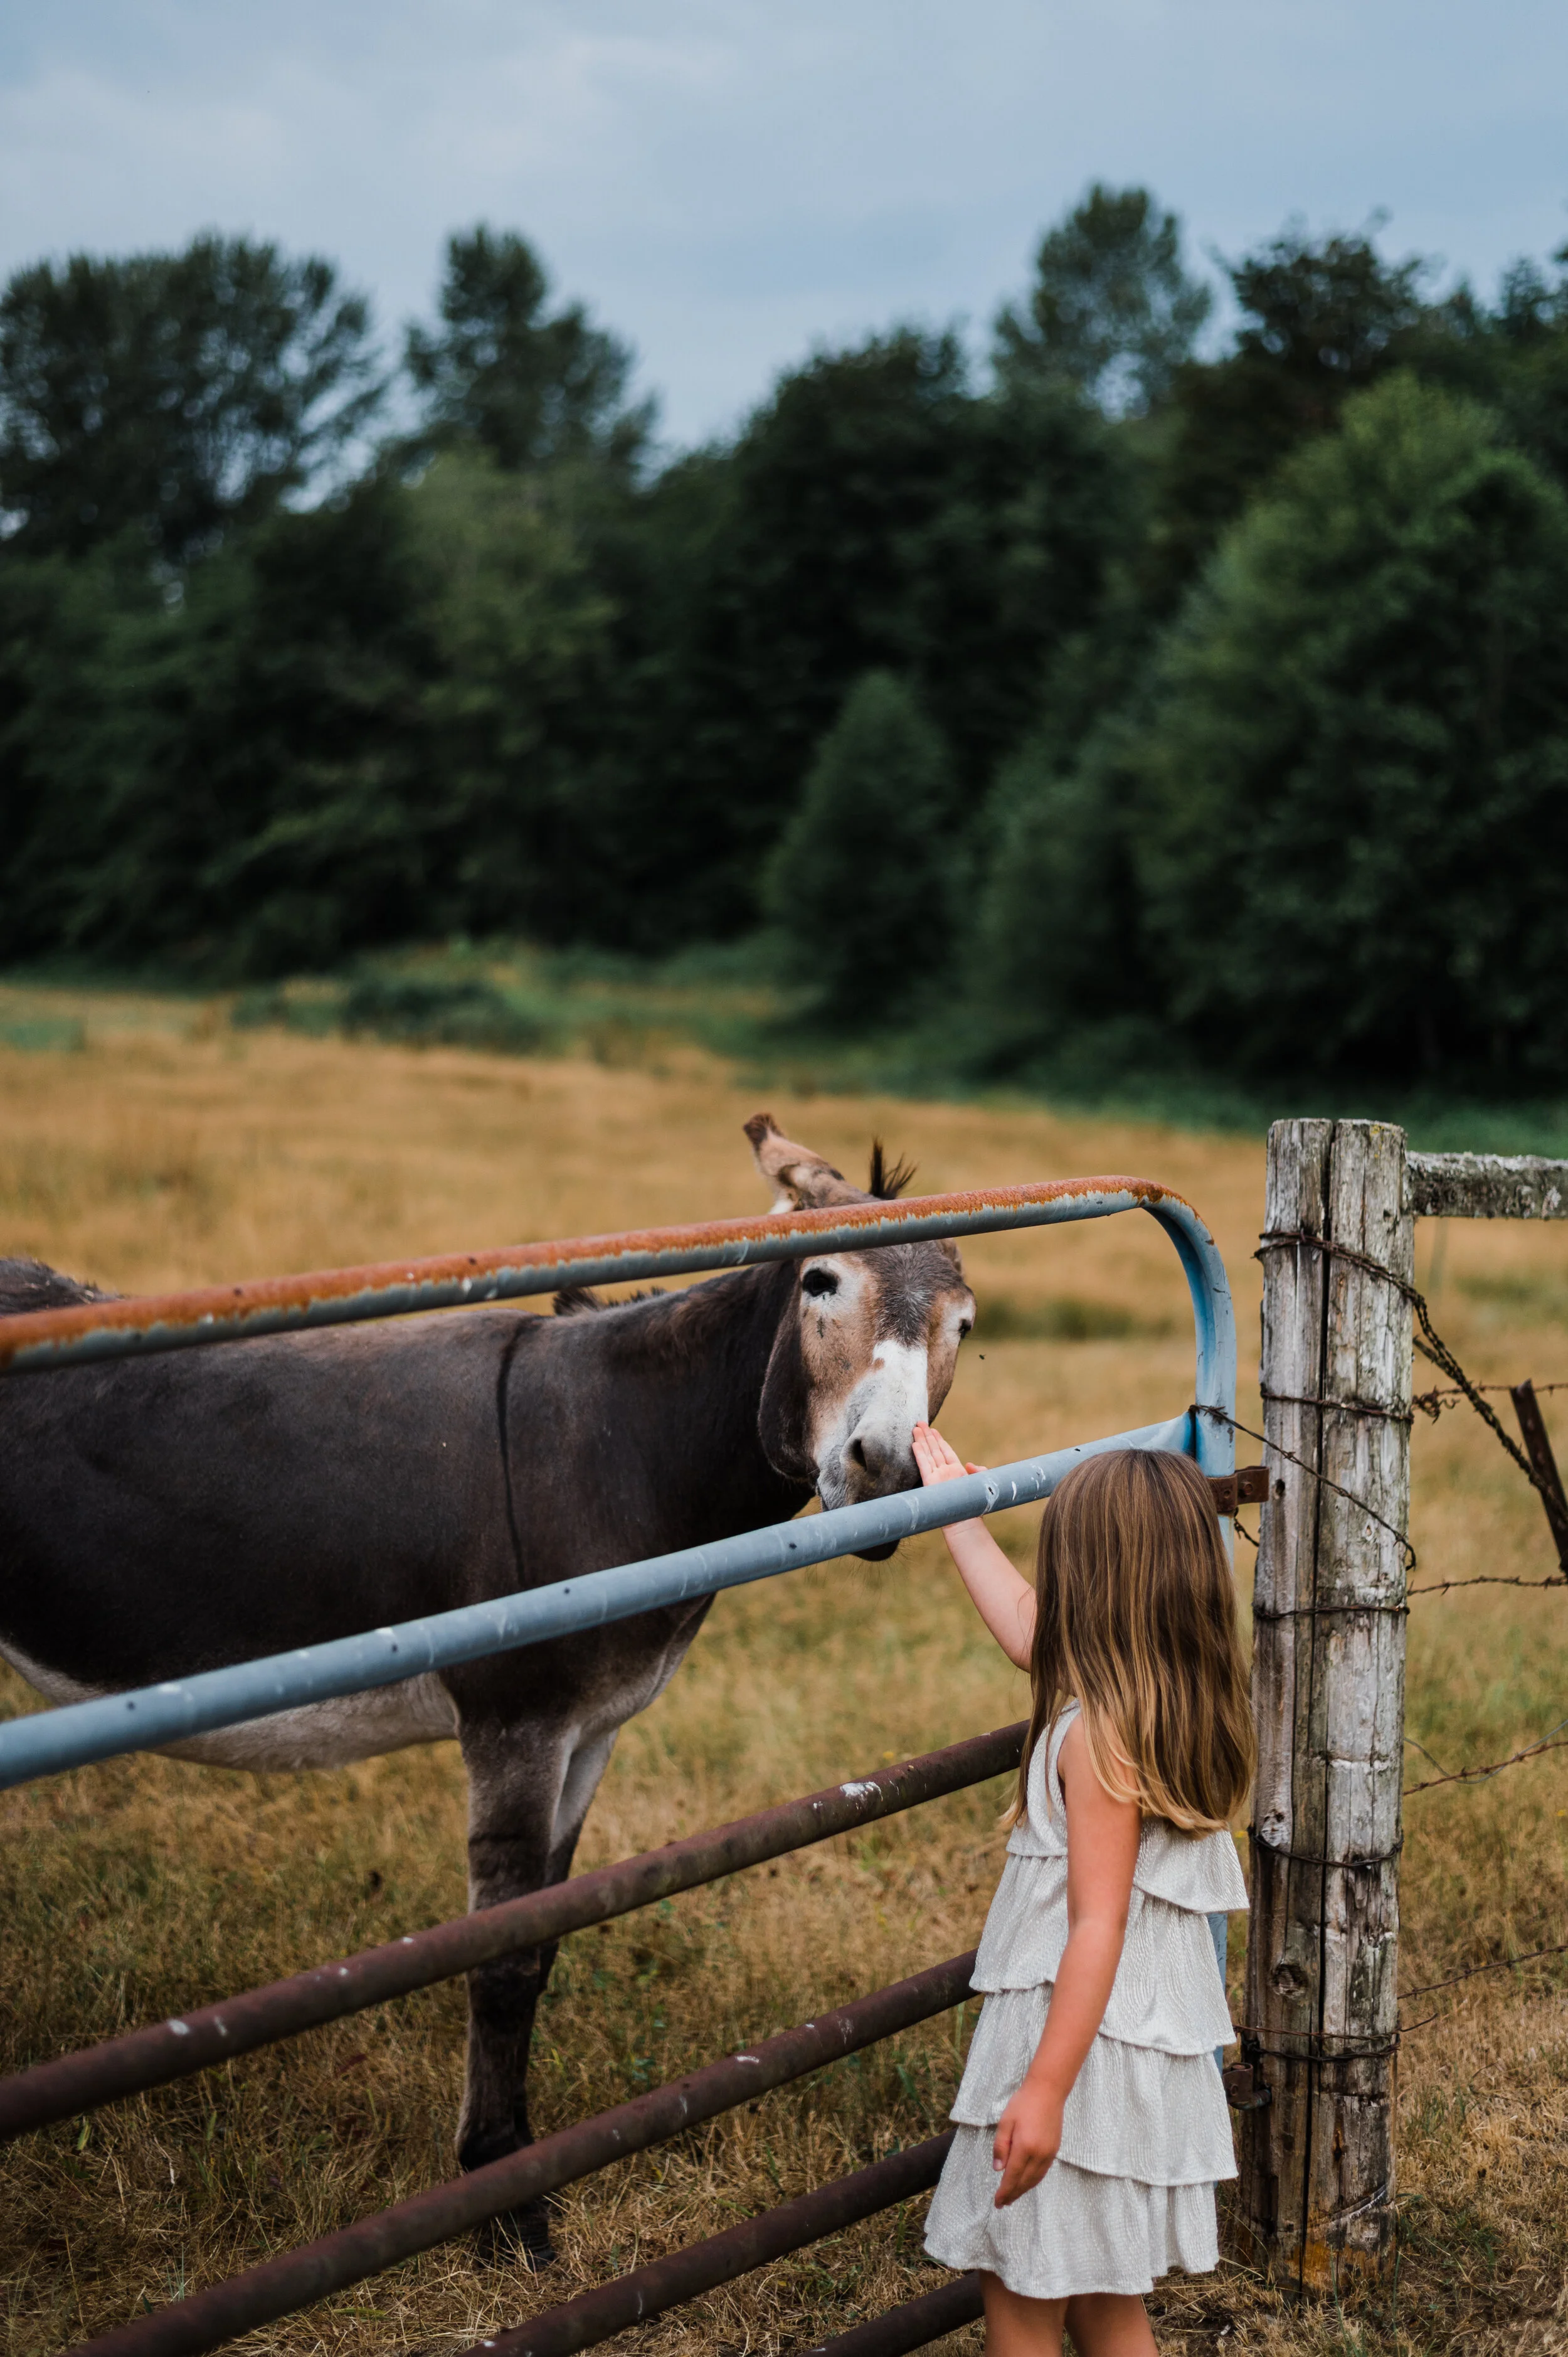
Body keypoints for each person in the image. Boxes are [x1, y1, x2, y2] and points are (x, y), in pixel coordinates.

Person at [911, 1429, 1253, 2357]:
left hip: (1077, 2055)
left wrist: (1046, 2090)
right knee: (1105, 2299)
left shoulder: (1095, 1742)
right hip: (1131, 2058)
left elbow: (1097, 1924)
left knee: (1022, 2291)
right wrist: (959, 1518)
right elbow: (1029, 1632)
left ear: (1088, 1585)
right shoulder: (1161, 1702)